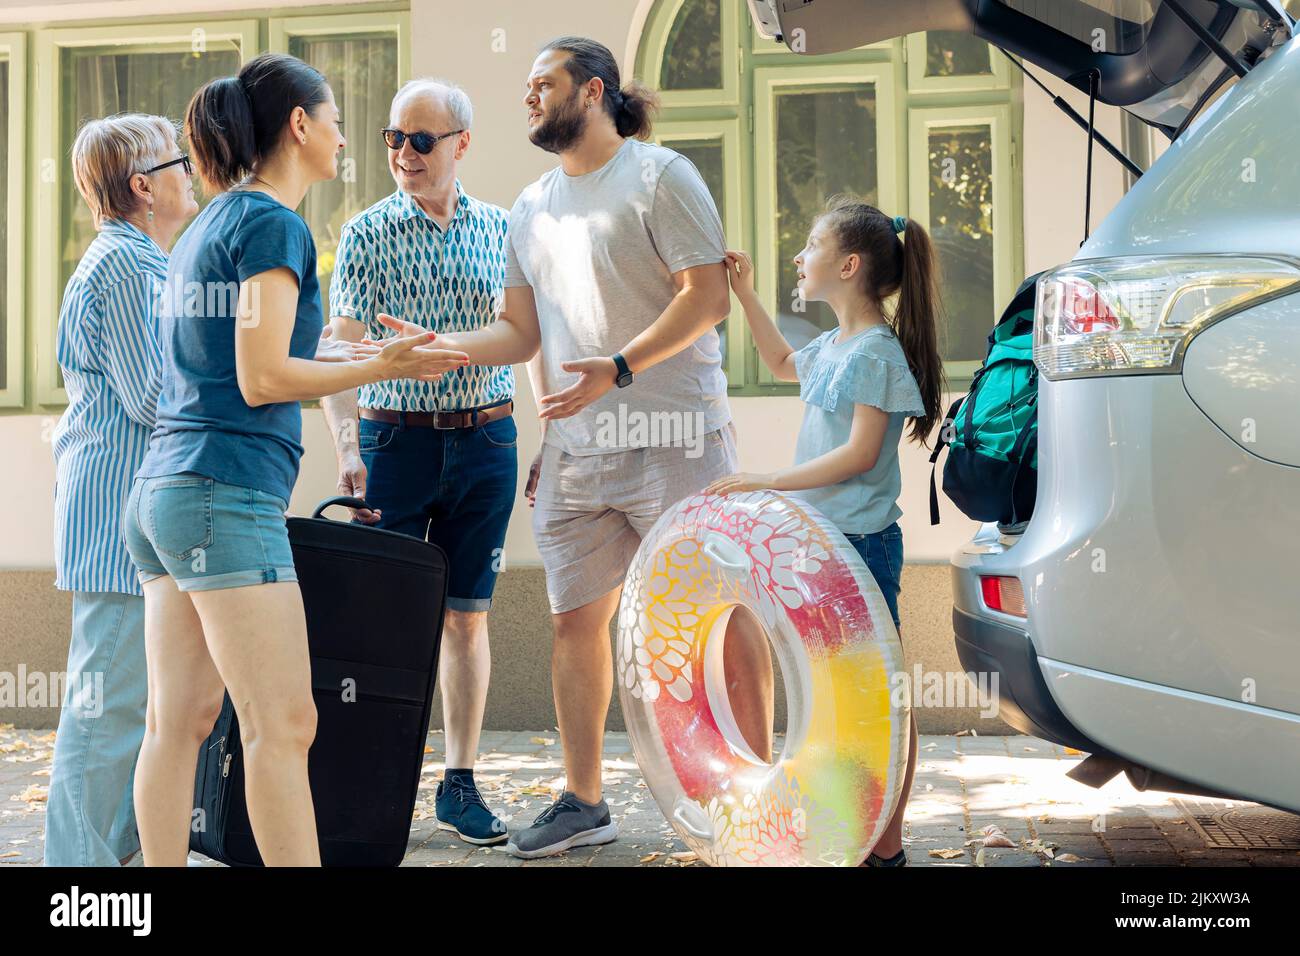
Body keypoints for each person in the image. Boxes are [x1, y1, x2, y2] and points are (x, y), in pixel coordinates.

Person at [407, 35, 773, 859]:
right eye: (529, 88)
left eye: (545, 84)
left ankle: (750, 793)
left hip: (679, 438)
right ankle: (583, 800)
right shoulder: (530, 205)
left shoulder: (660, 176)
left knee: (717, 616)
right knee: (576, 621)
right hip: (577, 450)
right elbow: (521, 331)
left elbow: (708, 296)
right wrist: (445, 346)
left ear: (596, 90)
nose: (530, 98)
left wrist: (618, 367)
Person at [120, 52, 466, 866]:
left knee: (181, 721)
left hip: (166, 492)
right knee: (285, 724)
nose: (348, 139)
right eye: (339, 120)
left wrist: (368, 351)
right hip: (222, 496)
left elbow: (259, 355)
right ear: (301, 125)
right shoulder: (274, 222)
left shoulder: (213, 219)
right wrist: (387, 366)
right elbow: (264, 374)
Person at [705, 197, 946, 867]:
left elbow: (862, 454)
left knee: (880, 702)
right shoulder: (839, 344)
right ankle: (857, 834)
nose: (799, 257)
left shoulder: (874, 351)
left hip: (862, 552)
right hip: (827, 552)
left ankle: (887, 849)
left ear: (847, 264)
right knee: (841, 702)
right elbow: (783, 363)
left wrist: (771, 482)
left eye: (810, 246)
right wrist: (747, 295)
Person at [321, 78, 515, 845]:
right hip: (394, 442)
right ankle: (374, 781)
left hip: (487, 439)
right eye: (394, 138)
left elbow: (530, 335)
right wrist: (345, 445)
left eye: (421, 140)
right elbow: (335, 349)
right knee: (387, 619)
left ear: (462, 144)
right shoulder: (367, 232)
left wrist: (553, 437)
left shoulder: (502, 228)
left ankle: (459, 784)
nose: (404, 153)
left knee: (467, 619)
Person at [45, 114, 199, 867]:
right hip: (118, 524)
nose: (191, 177)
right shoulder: (131, 269)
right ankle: (79, 882)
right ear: (143, 187)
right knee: (105, 713)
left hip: (119, 516)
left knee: (128, 711)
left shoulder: (136, 262)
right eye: (179, 165)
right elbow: (157, 397)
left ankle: (114, 865)